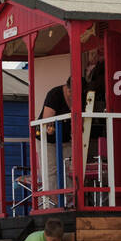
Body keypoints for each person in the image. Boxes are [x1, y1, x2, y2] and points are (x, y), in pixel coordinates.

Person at [38, 77, 73, 206]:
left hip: (66, 138)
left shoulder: (82, 96)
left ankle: (70, 201)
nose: (72, 95)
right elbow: (46, 119)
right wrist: (49, 129)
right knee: (51, 170)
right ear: (67, 87)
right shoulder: (55, 94)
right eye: (70, 92)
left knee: (69, 168)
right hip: (48, 139)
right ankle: (52, 202)